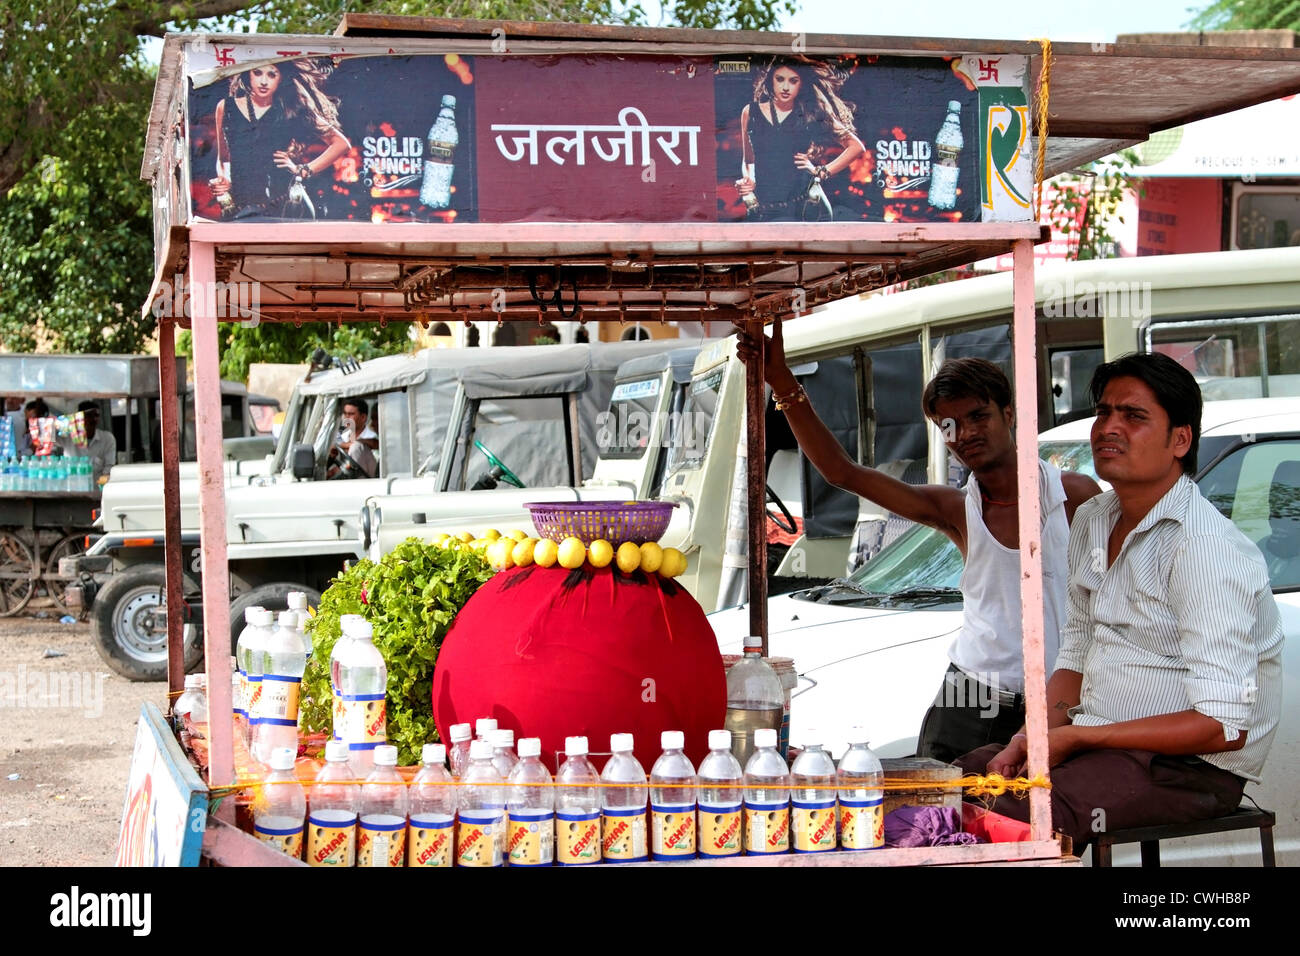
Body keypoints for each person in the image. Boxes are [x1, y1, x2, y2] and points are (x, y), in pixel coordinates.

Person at [736, 318, 1100, 763]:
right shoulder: (955, 510)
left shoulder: (1076, 496)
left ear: (1009, 414)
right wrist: (782, 381)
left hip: (1060, 701)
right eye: (948, 425)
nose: (964, 434)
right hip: (968, 698)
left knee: (1048, 823)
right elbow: (841, 472)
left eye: (977, 416)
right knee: (941, 823)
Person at [959, 352, 1284, 847]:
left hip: (1187, 770)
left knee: (1023, 814)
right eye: (1104, 412)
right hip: (1100, 746)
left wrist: (1079, 737)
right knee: (955, 783)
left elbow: (1222, 727)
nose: (1108, 428)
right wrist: (1033, 737)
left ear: (1180, 439)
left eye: (1133, 417)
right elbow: (1078, 649)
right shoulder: (1093, 516)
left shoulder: (1205, 548)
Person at [209, 59, 351, 220]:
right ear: (247, 74)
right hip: (241, 206)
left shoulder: (292, 108)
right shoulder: (226, 107)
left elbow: (341, 144)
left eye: (271, 75)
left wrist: (303, 169)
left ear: (281, 78)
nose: (263, 81)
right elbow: (224, 158)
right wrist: (225, 179)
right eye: (257, 73)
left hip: (285, 206)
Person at [735, 57, 866, 222]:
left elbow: (856, 146)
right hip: (765, 207)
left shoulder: (812, 112)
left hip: (805, 207)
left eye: (793, 81)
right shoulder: (750, 112)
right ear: (771, 81)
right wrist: (750, 179)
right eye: (780, 79)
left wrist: (821, 171)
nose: (785, 87)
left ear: (801, 84)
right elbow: (748, 159)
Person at [62, 400, 117, 487]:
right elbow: (47, 436)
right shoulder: (68, 436)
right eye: (88, 415)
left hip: (96, 492)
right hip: (71, 490)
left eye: (96, 415)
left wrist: (101, 489)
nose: (93, 419)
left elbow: (109, 469)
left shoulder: (107, 439)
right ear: (79, 418)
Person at [327, 398, 377, 479]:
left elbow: (377, 445)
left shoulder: (372, 434)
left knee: (356, 447)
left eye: (351, 414)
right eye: (345, 414)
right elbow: (334, 447)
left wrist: (350, 444)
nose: (346, 418)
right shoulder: (342, 434)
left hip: (369, 479)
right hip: (346, 474)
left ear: (363, 417)